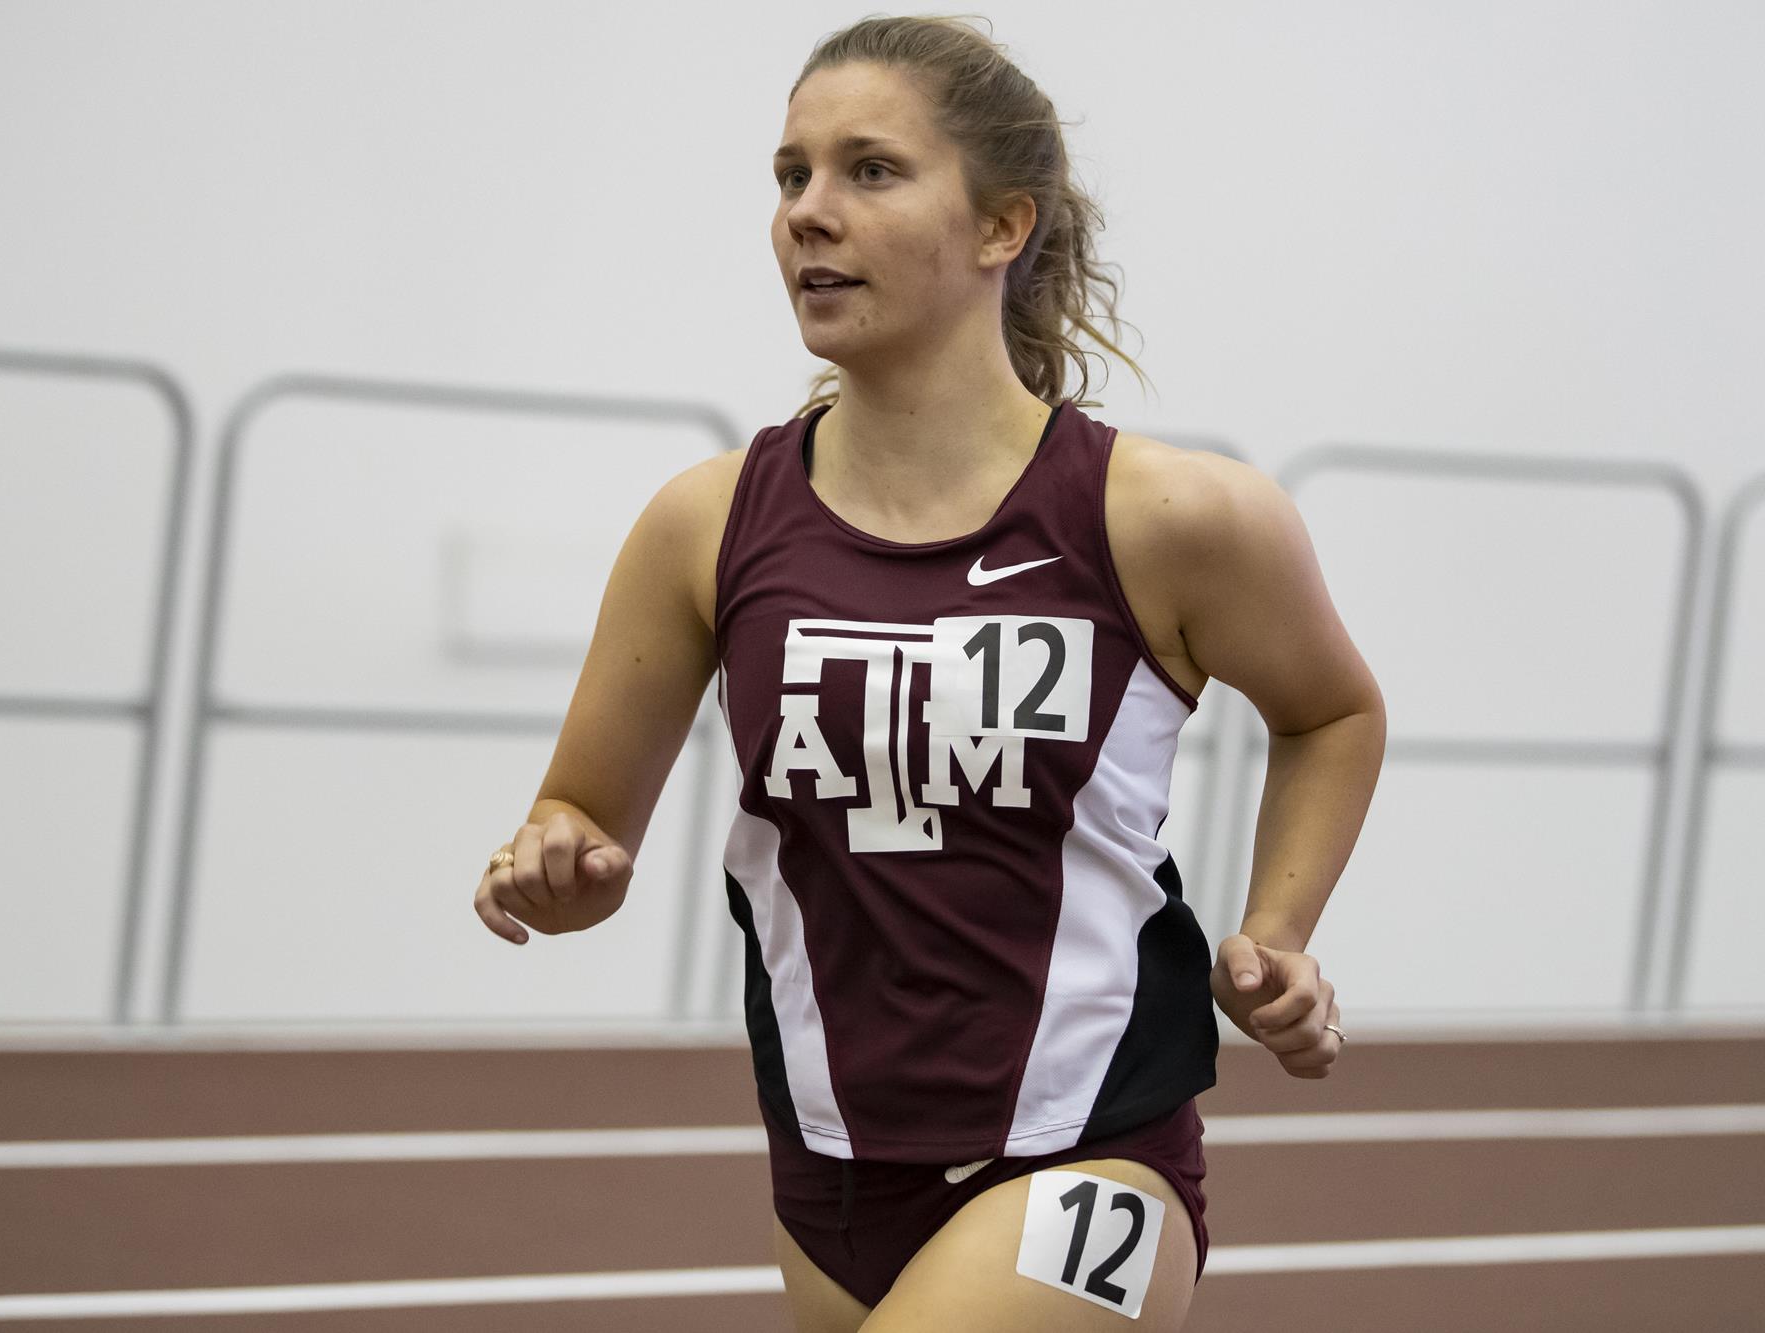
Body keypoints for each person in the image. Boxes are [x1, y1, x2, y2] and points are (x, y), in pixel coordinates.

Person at [474, 14, 1386, 1332]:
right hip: (832, 1175)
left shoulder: (1171, 516)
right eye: (791, 177)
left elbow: (1332, 709)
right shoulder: (706, 523)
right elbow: (577, 828)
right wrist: (547, 866)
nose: (809, 214)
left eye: (870, 171)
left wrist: (1278, 931)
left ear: (1002, 226)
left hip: (1088, 1154)